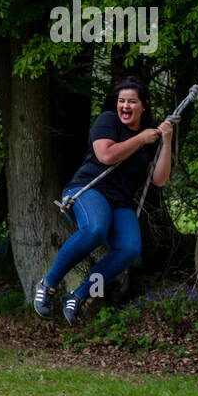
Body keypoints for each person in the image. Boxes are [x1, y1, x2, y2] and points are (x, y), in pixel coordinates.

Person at [33, 77, 173, 324]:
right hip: (88, 189)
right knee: (96, 228)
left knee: (129, 249)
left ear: (145, 105)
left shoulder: (151, 136)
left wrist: (167, 141)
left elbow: (159, 179)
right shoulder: (108, 120)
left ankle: (78, 296)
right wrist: (140, 139)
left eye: (132, 101)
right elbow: (106, 155)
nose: (125, 106)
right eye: (121, 101)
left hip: (120, 200)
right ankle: (48, 284)